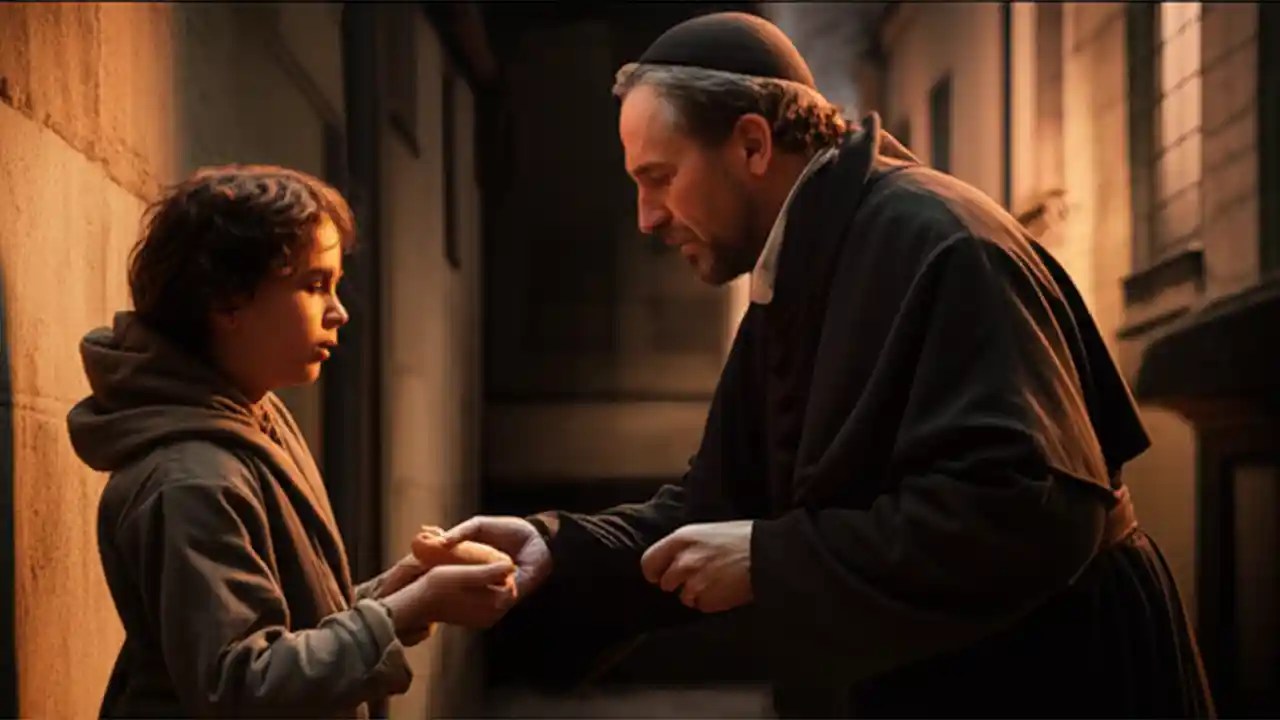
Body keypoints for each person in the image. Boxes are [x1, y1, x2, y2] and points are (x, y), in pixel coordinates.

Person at [439, 11, 1215, 718]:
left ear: (751, 144)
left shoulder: (941, 242)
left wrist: (772, 559)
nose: (648, 219)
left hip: (1056, 679)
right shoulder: (805, 259)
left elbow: (1029, 514)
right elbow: (717, 504)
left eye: (659, 178)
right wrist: (559, 547)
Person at [66, 165, 517, 718]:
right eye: (314, 285)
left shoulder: (252, 418)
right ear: (228, 302)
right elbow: (242, 683)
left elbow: (291, 630)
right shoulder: (193, 477)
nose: (339, 311)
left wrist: (399, 589)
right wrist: (403, 611)